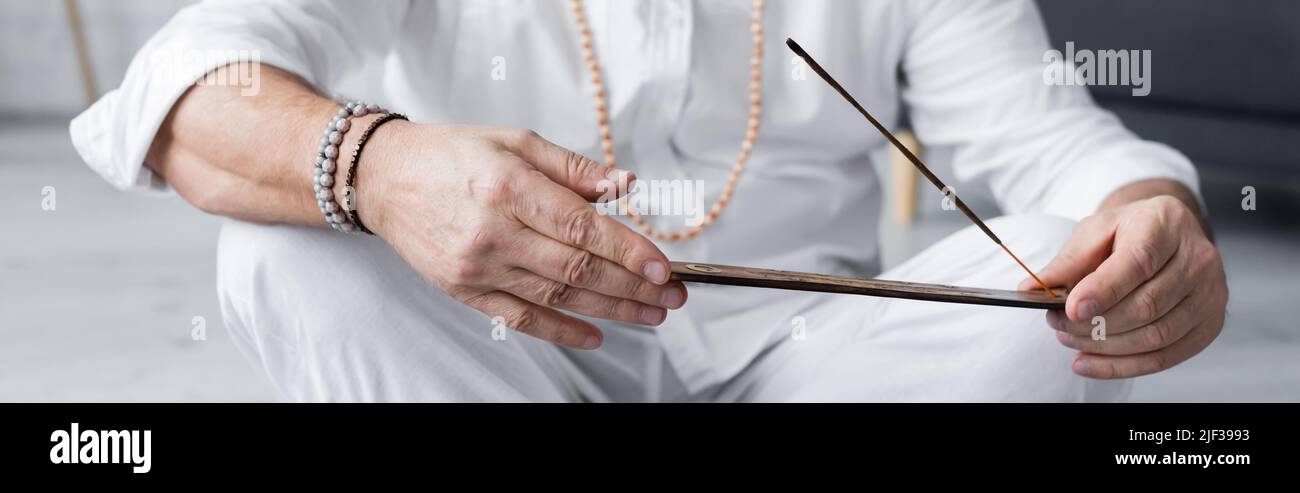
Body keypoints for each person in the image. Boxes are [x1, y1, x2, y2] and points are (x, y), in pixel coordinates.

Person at [70, 0, 1227, 402]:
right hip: (505, 359)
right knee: (288, 250)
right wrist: (374, 163)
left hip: (818, 361)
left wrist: (1151, 216)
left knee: (1043, 282)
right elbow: (183, 92)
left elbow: (1054, 144)